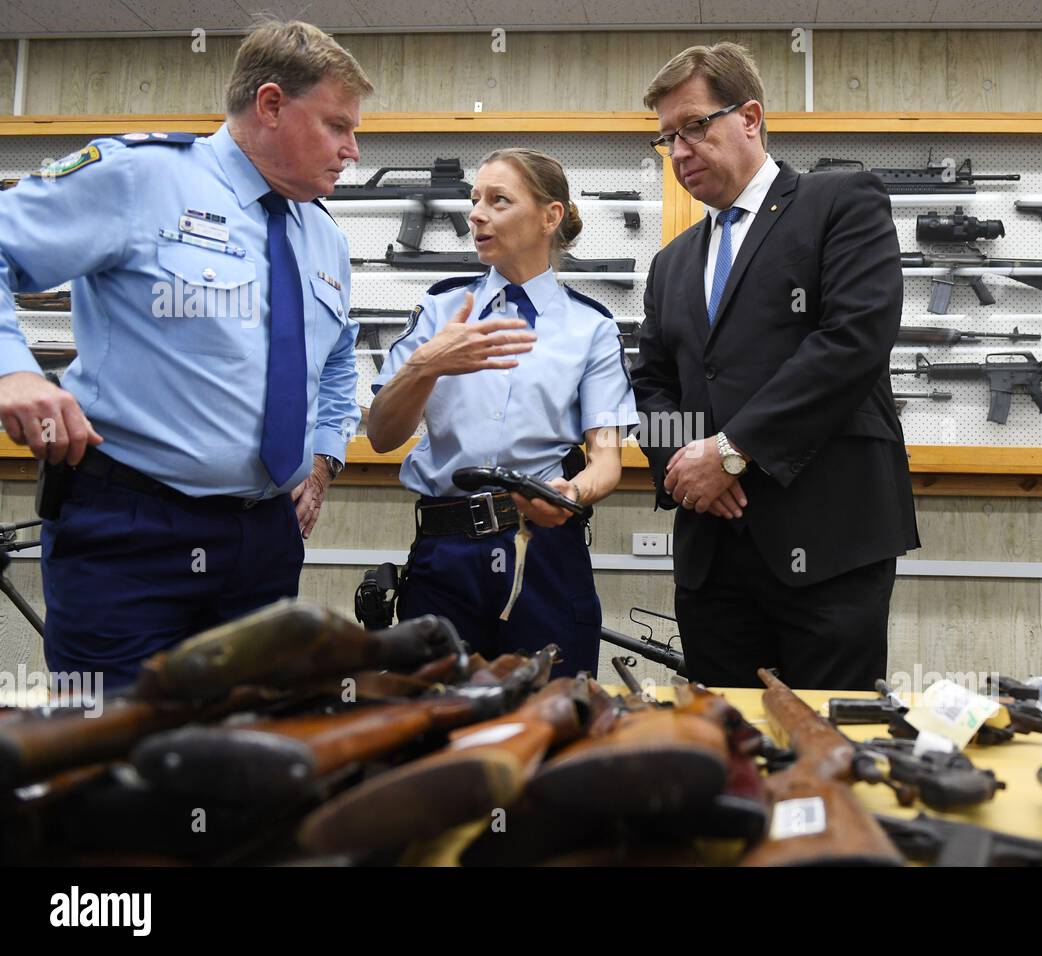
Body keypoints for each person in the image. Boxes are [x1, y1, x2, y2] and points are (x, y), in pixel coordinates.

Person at [0, 20, 372, 688]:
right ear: (270, 105)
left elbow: (338, 355)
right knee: (112, 760)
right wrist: (13, 370)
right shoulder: (140, 178)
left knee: (244, 758)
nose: (352, 149)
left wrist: (321, 458)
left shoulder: (322, 235)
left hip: (264, 543)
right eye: (337, 126)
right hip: (132, 532)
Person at [630, 42, 920, 690]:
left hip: (828, 544)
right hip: (712, 557)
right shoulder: (671, 262)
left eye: (694, 127)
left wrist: (733, 450)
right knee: (728, 751)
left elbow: (853, 340)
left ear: (751, 117)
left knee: (829, 751)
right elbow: (650, 384)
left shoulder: (842, 201)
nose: (678, 152)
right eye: (666, 138)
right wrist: (684, 466)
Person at [367, 148, 637, 678]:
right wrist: (426, 364)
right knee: (434, 722)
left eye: (498, 200)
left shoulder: (592, 328)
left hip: (543, 552)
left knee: (553, 718)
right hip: (444, 556)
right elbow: (381, 434)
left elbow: (606, 458)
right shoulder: (442, 310)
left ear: (550, 216)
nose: (476, 214)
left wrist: (574, 494)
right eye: (473, 201)